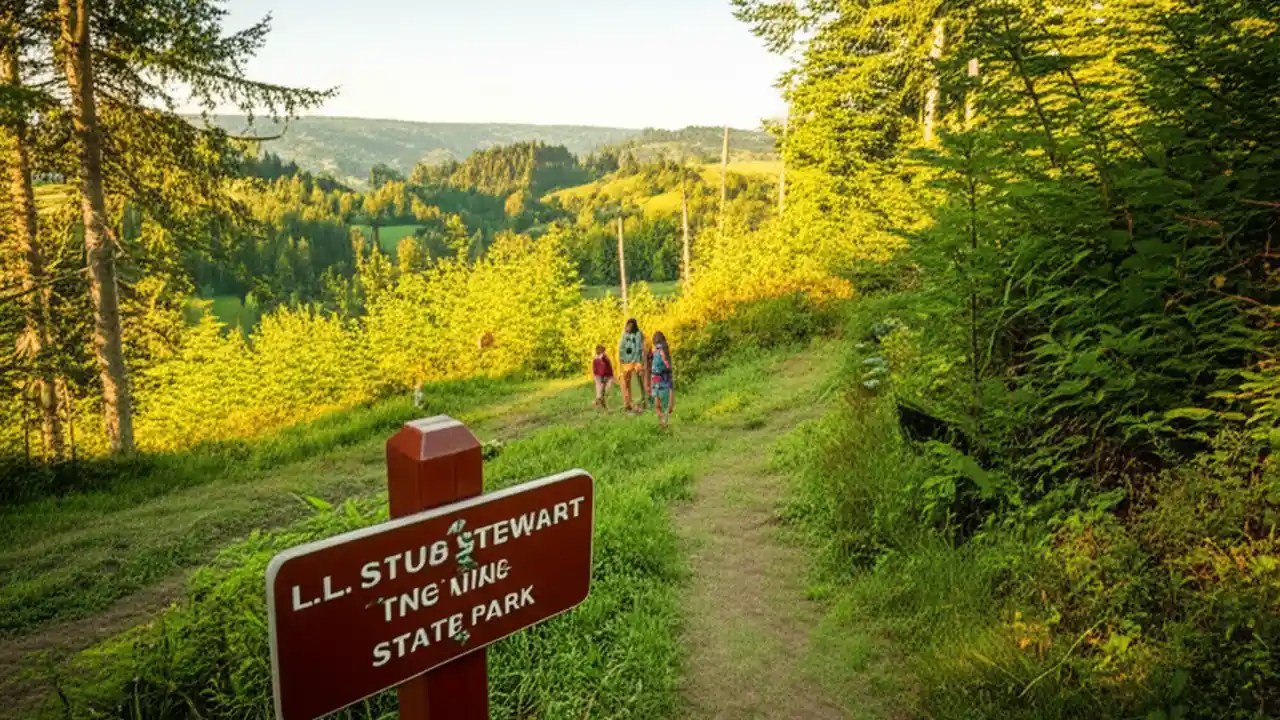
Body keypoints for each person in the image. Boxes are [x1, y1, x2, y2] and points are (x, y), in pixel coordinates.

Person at [618, 318, 646, 413]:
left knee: (636, 384)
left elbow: (639, 349)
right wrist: (621, 360)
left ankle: (638, 405)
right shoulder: (624, 334)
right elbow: (621, 347)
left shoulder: (638, 334)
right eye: (627, 325)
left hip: (635, 363)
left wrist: (638, 362)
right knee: (625, 384)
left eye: (631, 326)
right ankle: (628, 404)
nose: (628, 328)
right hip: (626, 363)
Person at [649, 331, 675, 429]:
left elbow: (652, 365)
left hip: (655, 377)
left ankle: (661, 423)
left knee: (657, 402)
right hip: (665, 377)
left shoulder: (654, 349)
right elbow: (668, 365)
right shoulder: (665, 348)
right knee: (665, 404)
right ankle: (665, 422)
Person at [592, 345, 615, 409]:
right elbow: (596, 370)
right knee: (600, 391)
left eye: (602, 352)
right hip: (599, 376)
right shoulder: (596, 359)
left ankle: (602, 402)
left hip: (607, 376)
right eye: (598, 352)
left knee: (607, 391)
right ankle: (599, 401)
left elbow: (607, 368)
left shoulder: (605, 358)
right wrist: (600, 377)